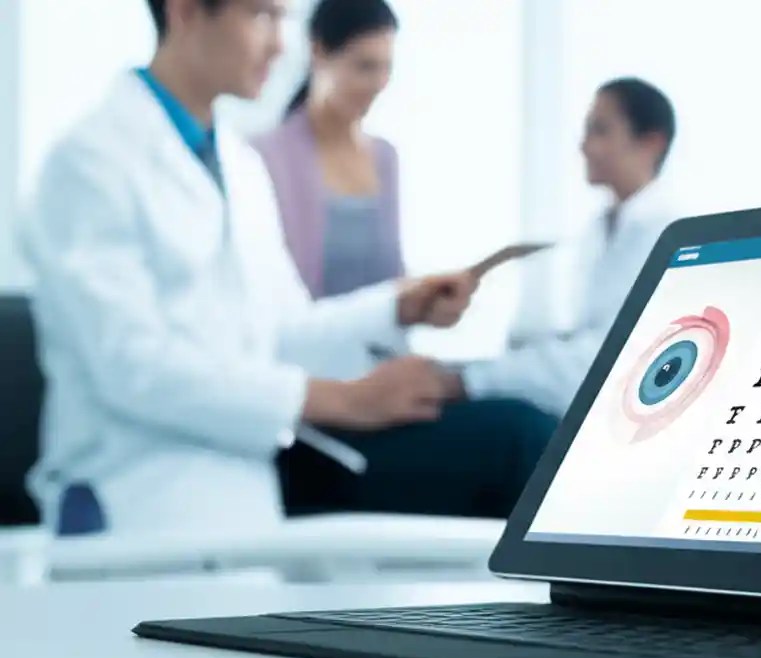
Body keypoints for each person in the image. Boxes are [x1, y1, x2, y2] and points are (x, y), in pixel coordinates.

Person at [19, 0, 556, 537]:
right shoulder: (90, 162)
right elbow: (134, 367)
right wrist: (345, 400)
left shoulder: (239, 164)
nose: (280, 45)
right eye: (261, 16)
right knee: (507, 444)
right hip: (139, 489)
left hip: (245, 473)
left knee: (516, 435)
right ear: (186, 11)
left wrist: (395, 307)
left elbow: (283, 329)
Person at [434, 77, 680, 417]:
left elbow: (609, 357)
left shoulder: (665, 233)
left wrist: (467, 380)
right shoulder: (596, 231)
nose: (584, 146)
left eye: (600, 130)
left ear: (651, 142)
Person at [254, 0, 402, 300]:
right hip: (302, 330)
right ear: (318, 52)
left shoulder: (385, 157)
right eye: (365, 66)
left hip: (386, 331)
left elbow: (392, 278)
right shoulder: (265, 158)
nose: (378, 83)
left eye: (386, 67)